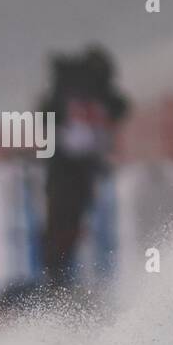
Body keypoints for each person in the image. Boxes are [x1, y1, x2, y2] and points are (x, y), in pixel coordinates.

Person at [39, 45, 129, 288]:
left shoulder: (82, 93)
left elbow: (120, 108)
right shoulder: (79, 93)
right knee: (64, 224)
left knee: (79, 224)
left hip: (86, 168)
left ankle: (69, 277)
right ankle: (55, 279)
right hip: (67, 168)